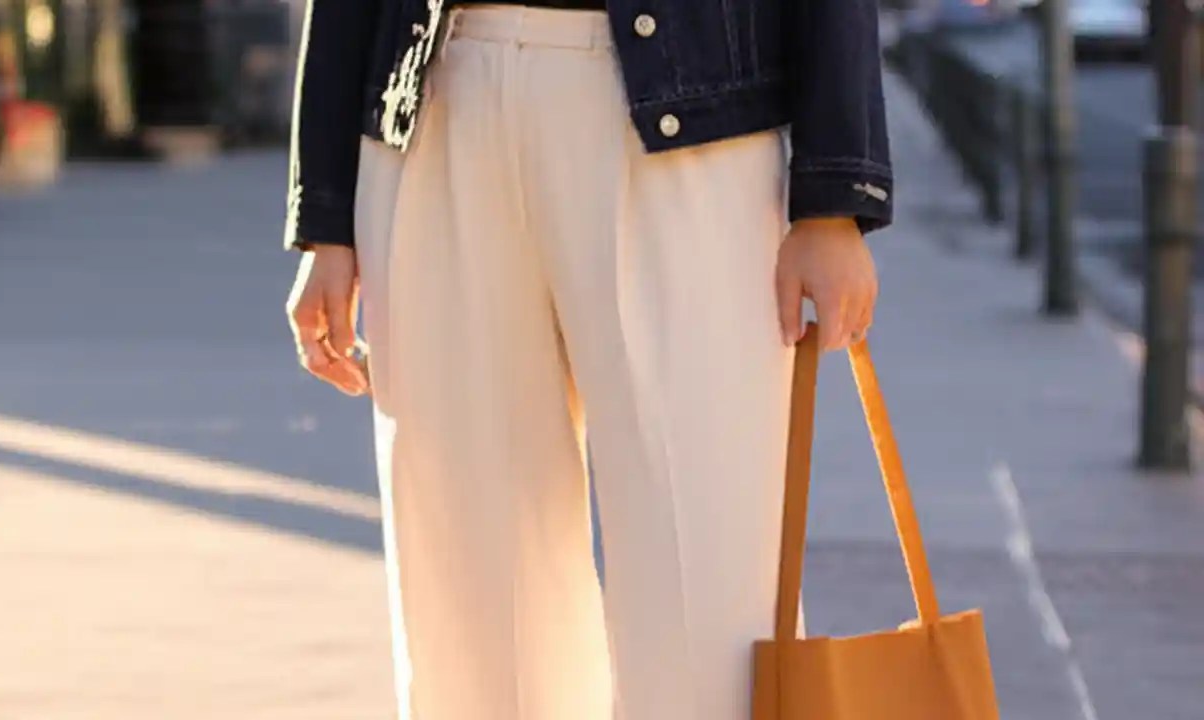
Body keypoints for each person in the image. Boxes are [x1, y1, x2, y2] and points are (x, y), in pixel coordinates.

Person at [282, 0, 890, 718]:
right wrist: (325, 218)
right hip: (440, 93)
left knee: (708, 569)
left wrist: (834, 199)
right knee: (468, 579)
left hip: (693, 121)